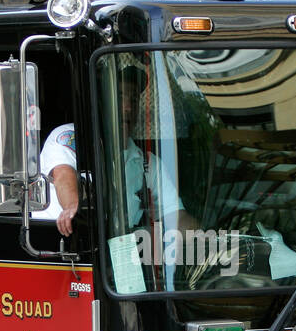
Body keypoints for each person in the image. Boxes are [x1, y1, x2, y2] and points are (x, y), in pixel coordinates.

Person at [37, 64, 192, 237]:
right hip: (58, 250)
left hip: (114, 255)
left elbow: (176, 216)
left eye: (134, 99)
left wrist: (213, 240)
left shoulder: (147, 162)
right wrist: (73, 207)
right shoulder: (69, 137)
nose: (128, 107)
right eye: (119, 97)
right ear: (102, 103)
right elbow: (63, 175)